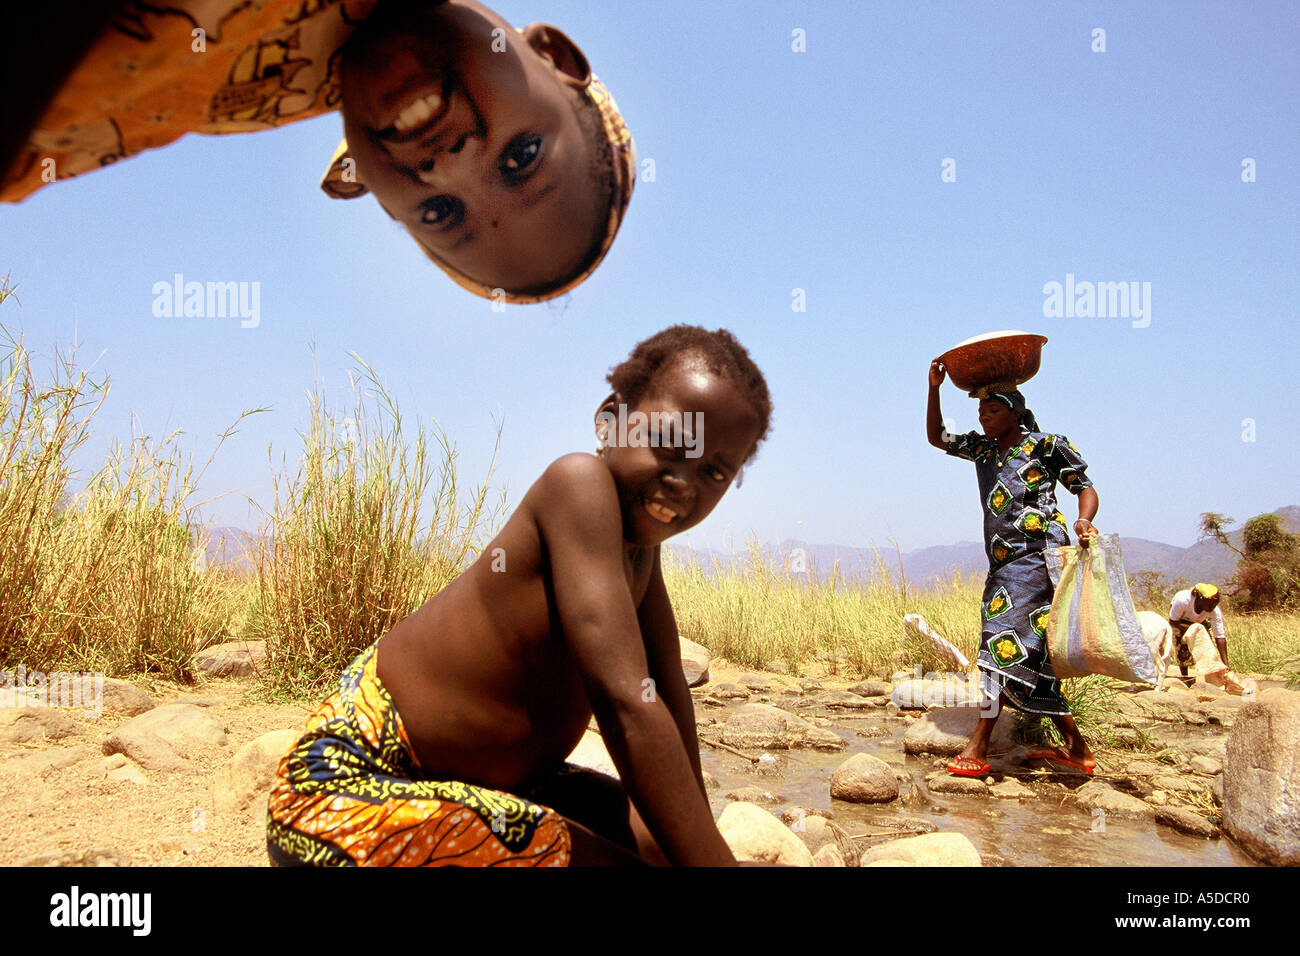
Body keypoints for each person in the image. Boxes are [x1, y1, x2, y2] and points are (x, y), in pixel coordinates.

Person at [267, 325, 773, 866]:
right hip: (340, 795)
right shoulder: (577, 485)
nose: (683, 482)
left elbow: (667, 691)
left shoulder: (639, 555)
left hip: (485, 790)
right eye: (671, 442)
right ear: (612, 417)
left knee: (664, 844)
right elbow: (627, 703)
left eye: (715, 472)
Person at [2, 0, 635, 303]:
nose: (448, 164)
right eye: (521, 157)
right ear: (554, 58)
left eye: (439, 213)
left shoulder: (223, 99)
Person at [926, 360, 1100, 776]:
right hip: (1003, 564)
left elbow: (1085, 487)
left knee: (998, 643)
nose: (984, 419)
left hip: (1040, 556)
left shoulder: (1046, 445)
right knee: (1034, 660)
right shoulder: (983, 450)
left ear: (1015, 412)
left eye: (993, 412)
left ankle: (978, 745)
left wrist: (1084, 520)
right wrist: (933, 388)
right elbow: (937, 437)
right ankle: (1078, 750)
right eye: (980, 414)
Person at [1168, 583, 1231, 682]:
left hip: (1199, 622)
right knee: (1182, 647)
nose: (1212, 606)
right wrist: (1195, 628)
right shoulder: (1182, 601)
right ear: (1199, 598)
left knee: (1207, 645)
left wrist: (1226, 663)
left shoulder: (1214, 611)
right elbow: (1173, 621)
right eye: (1209, 603)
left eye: (1215, 604)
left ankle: (1210, 675)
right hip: (1179, 621)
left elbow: (1220, 637)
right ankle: (1185, 677)